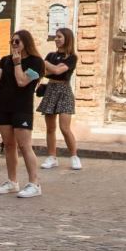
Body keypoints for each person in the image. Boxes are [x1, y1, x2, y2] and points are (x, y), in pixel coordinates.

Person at [0, 29, 44, 198]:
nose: (14, 44)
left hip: (22, 108)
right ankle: (12, 182)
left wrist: (18, 63)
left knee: (25, 146)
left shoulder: (36, 62)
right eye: (12, 42)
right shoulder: (5, 60)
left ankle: (34, 184)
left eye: (17, 41)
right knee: (9, 145)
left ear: (26, 42)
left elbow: (22, 81)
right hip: (3, 107)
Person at [39, 27, 82, 171]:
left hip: (64, 91)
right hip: (51, 90)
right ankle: (52, 157)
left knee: (65, 128)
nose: (56, 39)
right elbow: (44, 72)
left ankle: (74, 156)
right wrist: (47, 67)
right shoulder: (51, 55)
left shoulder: (72, 57)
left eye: (59, 37)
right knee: (50, 128)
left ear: (67, 39)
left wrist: (44, 63)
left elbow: (57, 71)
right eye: (56, 37)